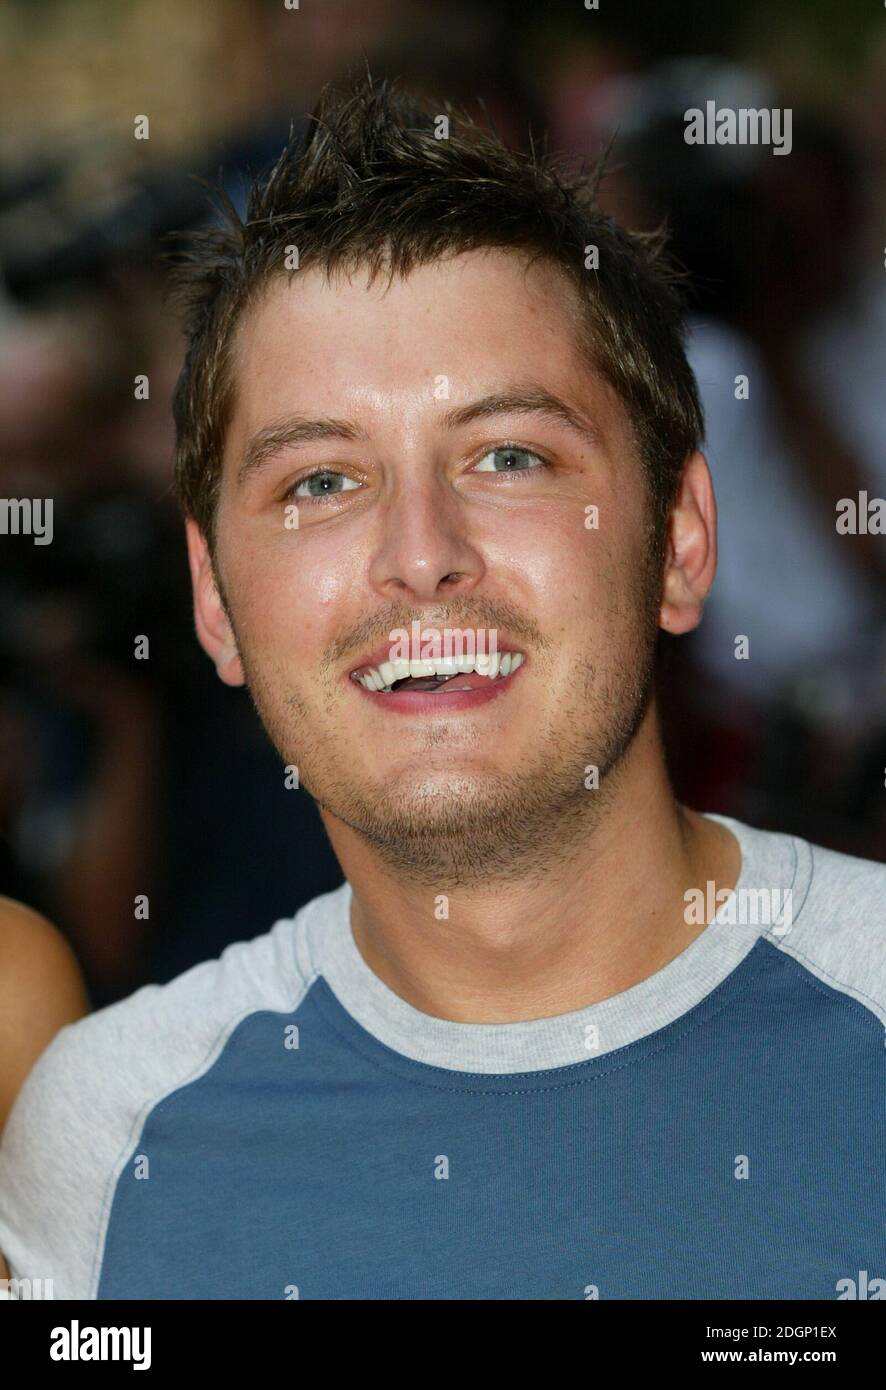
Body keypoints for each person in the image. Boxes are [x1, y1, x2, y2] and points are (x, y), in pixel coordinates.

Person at [0, 73, 883, 1301]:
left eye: (508, 455)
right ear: (213, 599)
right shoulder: (104, 1132)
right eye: (319, 481)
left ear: (679, 539)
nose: (420, 552)